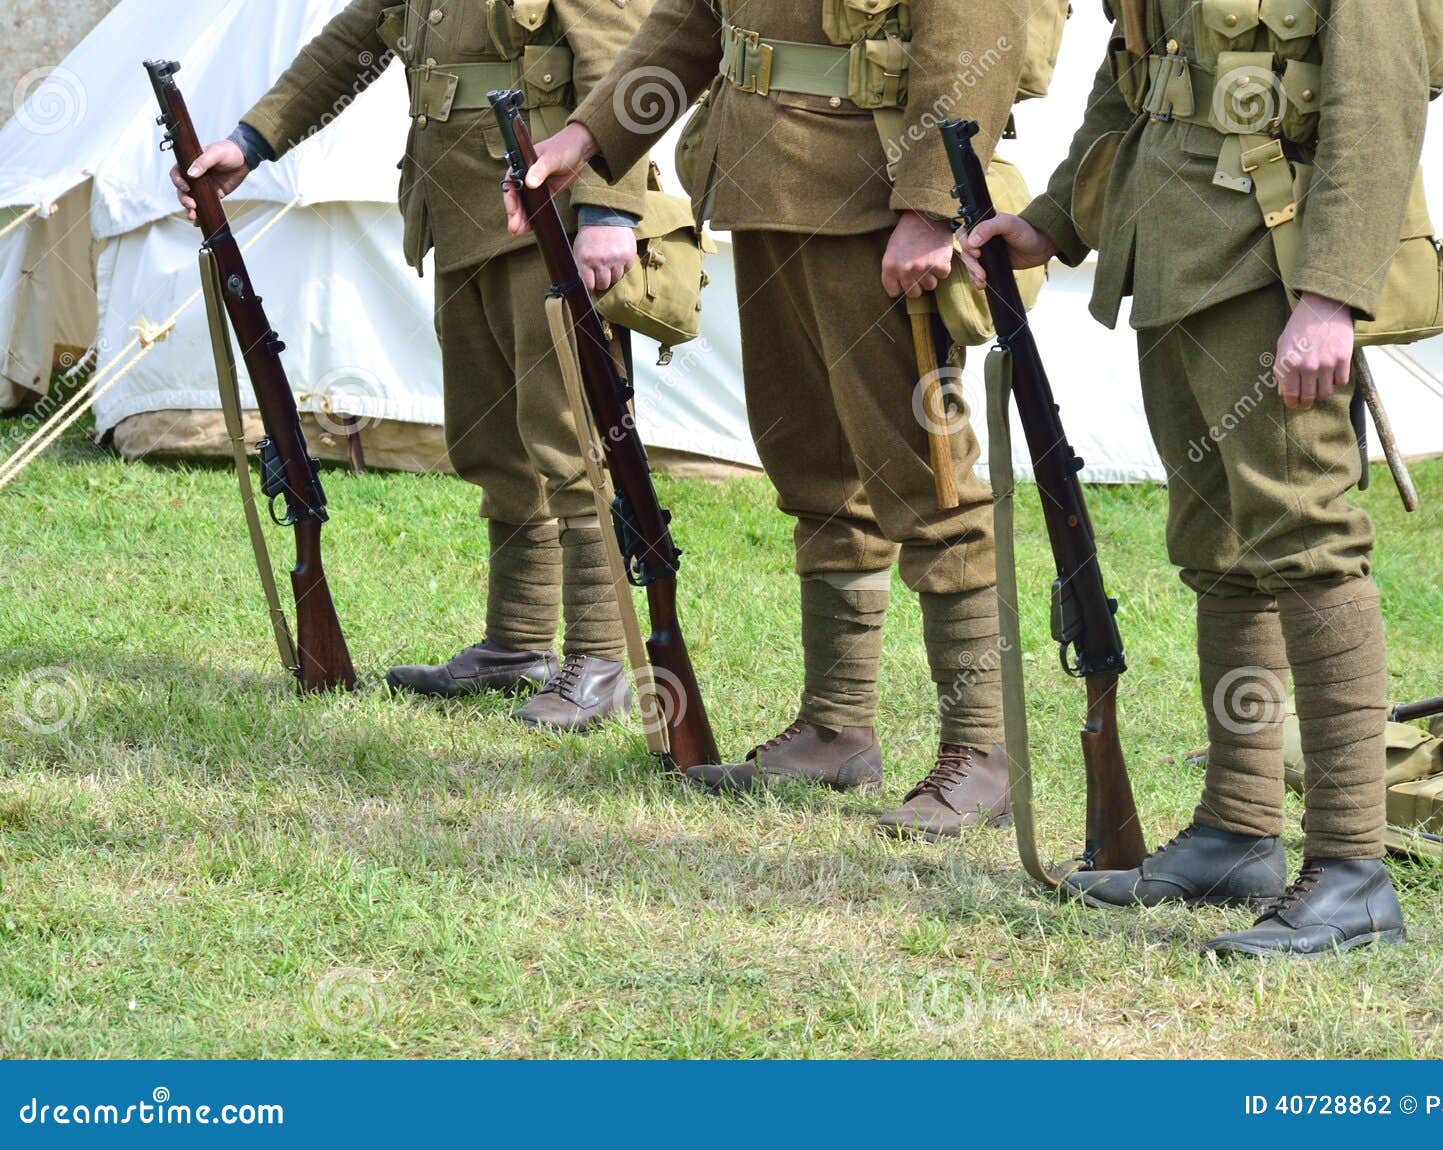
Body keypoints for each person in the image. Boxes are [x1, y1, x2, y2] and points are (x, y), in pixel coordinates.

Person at [961, 0, 1428, 954]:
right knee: (1221, 549)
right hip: (1174, 251)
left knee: (1305, 538)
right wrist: (1055, 220)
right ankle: (1237, 828)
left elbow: (1379, 107)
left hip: (1276, 255)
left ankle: (1352, 871)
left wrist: (1334, 293)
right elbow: (1135, 76)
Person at [509, 1, 1028, 838]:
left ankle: (982, 751)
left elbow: (977, 32)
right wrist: (590, 138)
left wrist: (934, 205)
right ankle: (835, 726)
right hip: (763, 183)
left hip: (881, 199)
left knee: (928, 481)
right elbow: (690, 22)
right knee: (810, 467)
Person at [171, 0, 650, 732]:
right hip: (457, 211)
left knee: (572, 441)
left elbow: (626, 63)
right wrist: (252, 141)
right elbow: (353, 43)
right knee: (489, 442)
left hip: (549, 215)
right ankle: (517, 644)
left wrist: (611, 211)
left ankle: (601, 659)